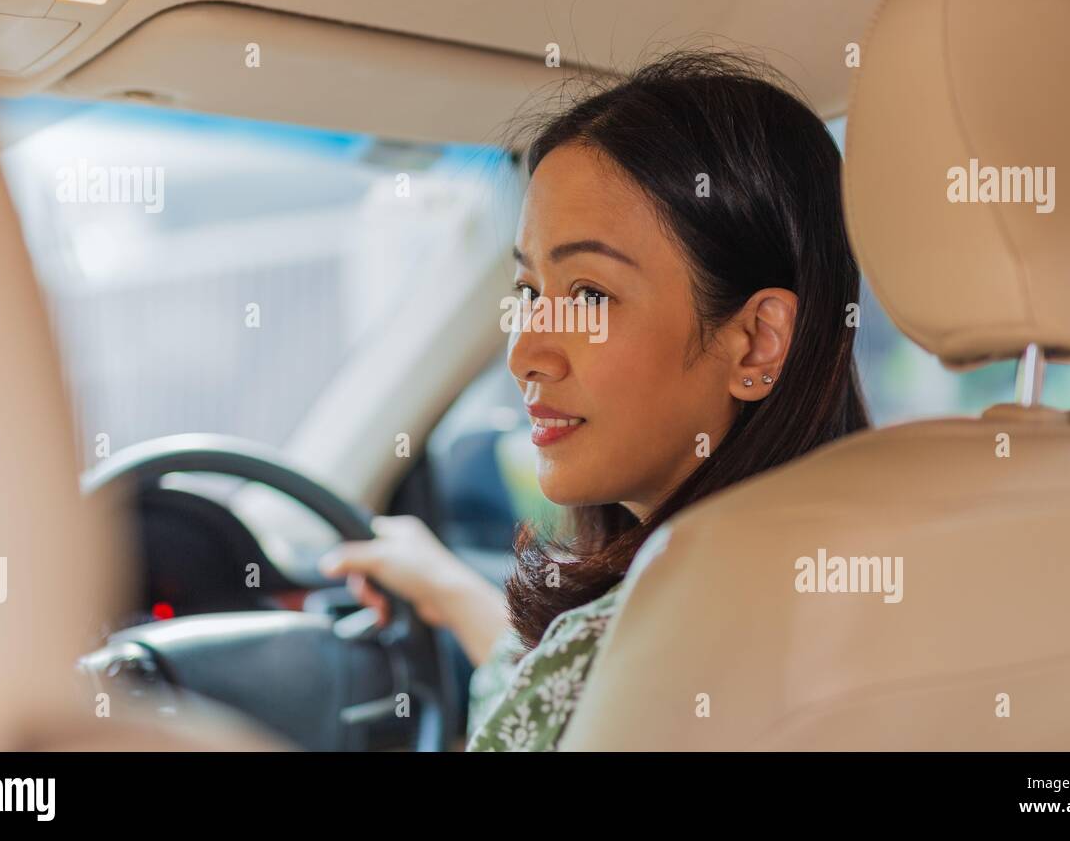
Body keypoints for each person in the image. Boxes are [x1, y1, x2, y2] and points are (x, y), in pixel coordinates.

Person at [319, 49, 869, 751]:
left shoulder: (642, 642)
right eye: (529, 293)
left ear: (756, 341)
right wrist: (449, 590)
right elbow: (560, 692)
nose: (525, 355)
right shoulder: (876, 566)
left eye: (590, 296)